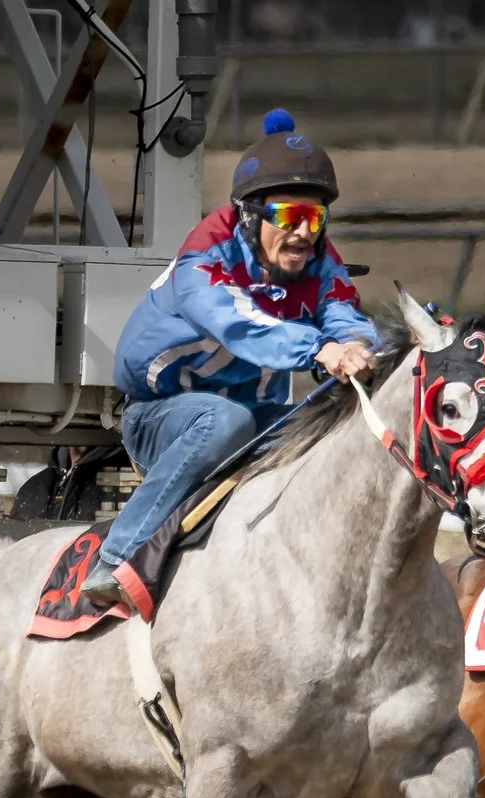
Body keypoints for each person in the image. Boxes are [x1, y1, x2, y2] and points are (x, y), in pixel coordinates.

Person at [88, 109, 378, 607]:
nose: (303, 233)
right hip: (160, 418)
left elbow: (343, 313)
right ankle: (116, 558)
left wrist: (357, 347)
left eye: (314, 218)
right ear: (249, 216)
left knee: (331, 428)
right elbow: (242, 323)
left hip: (256, 420)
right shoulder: (204, 260)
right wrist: (320, 349)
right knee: (226, 420)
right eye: (289, 216)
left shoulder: (319, 261)